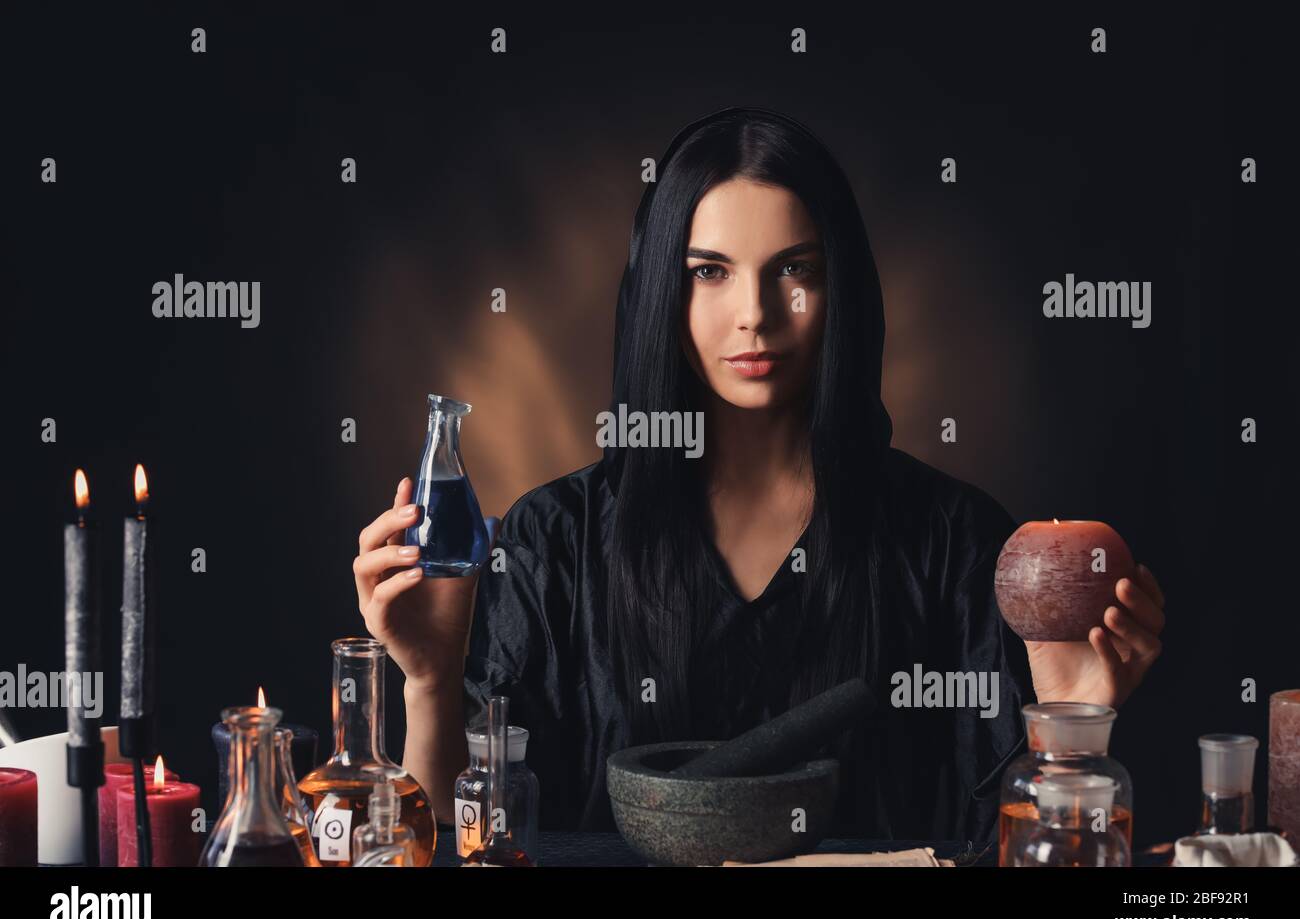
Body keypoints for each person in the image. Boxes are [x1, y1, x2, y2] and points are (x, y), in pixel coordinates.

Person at [352, 106, 1166, 849]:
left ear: (839, 286)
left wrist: (1071, 729)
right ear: (659, 295)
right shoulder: (550, 542)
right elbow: (463, 847)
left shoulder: (950, 542)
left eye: (793, 270)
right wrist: (428, 683)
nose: (754, 314)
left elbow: (1011, 849)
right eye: (709, 271)